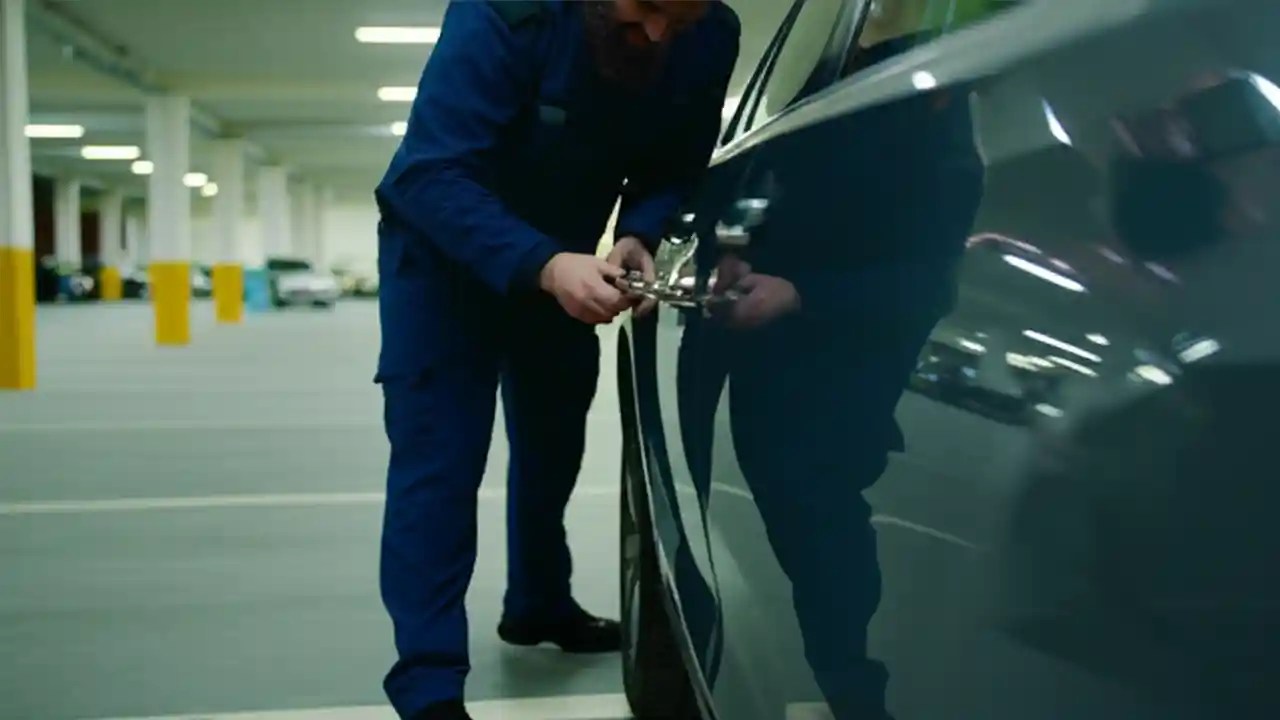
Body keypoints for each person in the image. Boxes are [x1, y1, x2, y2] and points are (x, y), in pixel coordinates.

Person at [372, 1, 740, 718]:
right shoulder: (504, 14)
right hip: (443, 264)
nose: (661, 32)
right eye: (647, 8)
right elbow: (428, 174)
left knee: (552, 446)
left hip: (566, 261)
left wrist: (638, 230)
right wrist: (542, 263)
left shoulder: (710, 32)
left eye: (683, 15)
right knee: (439, 469)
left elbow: (680, 156)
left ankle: (538, 605)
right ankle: (429, 687)